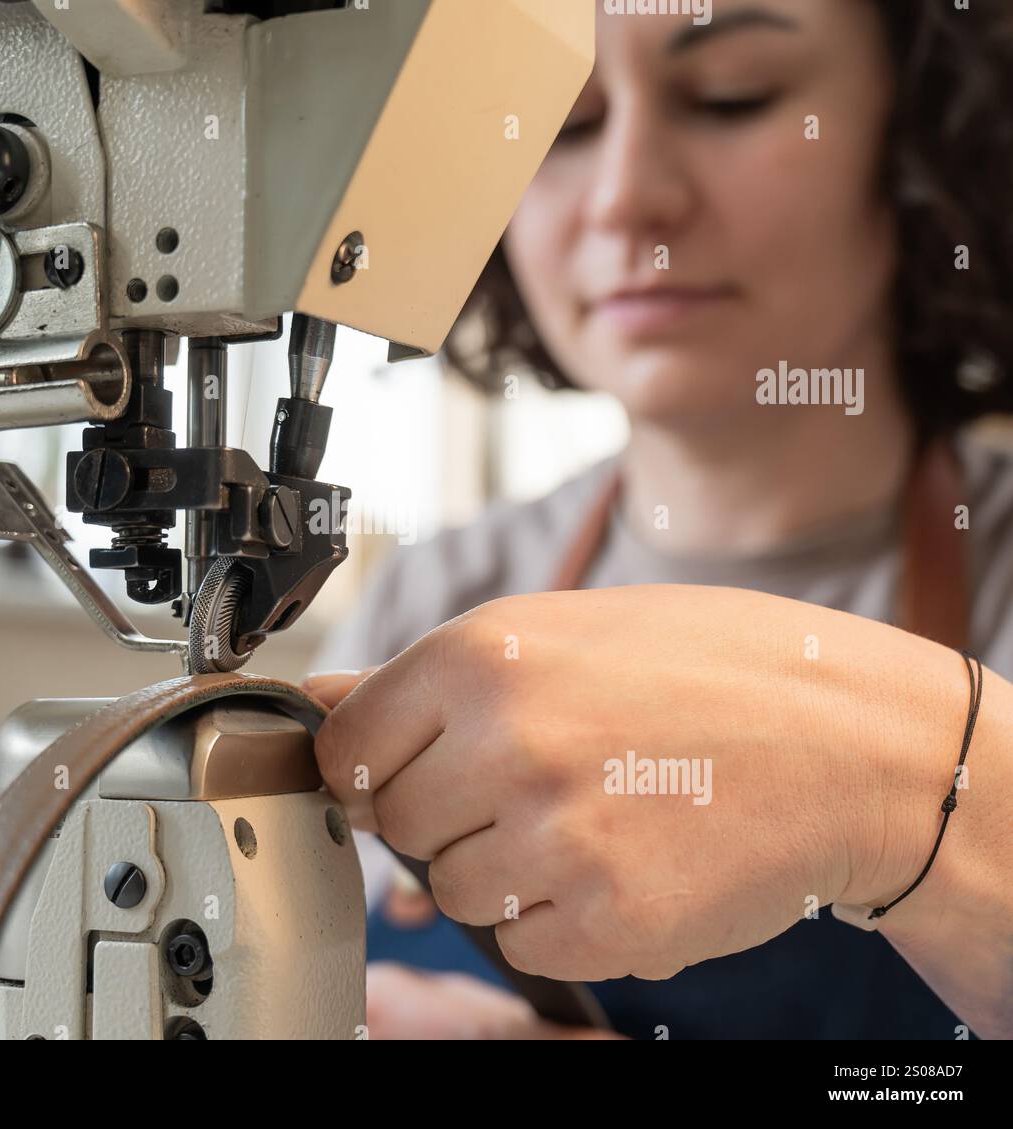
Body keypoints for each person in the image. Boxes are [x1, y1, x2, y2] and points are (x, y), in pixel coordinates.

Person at [305, 0, 1013, 1040]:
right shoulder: (436, 596)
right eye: (564, 127)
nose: (628, 198)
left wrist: (910, 791)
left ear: (915, 138)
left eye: (733, 98)